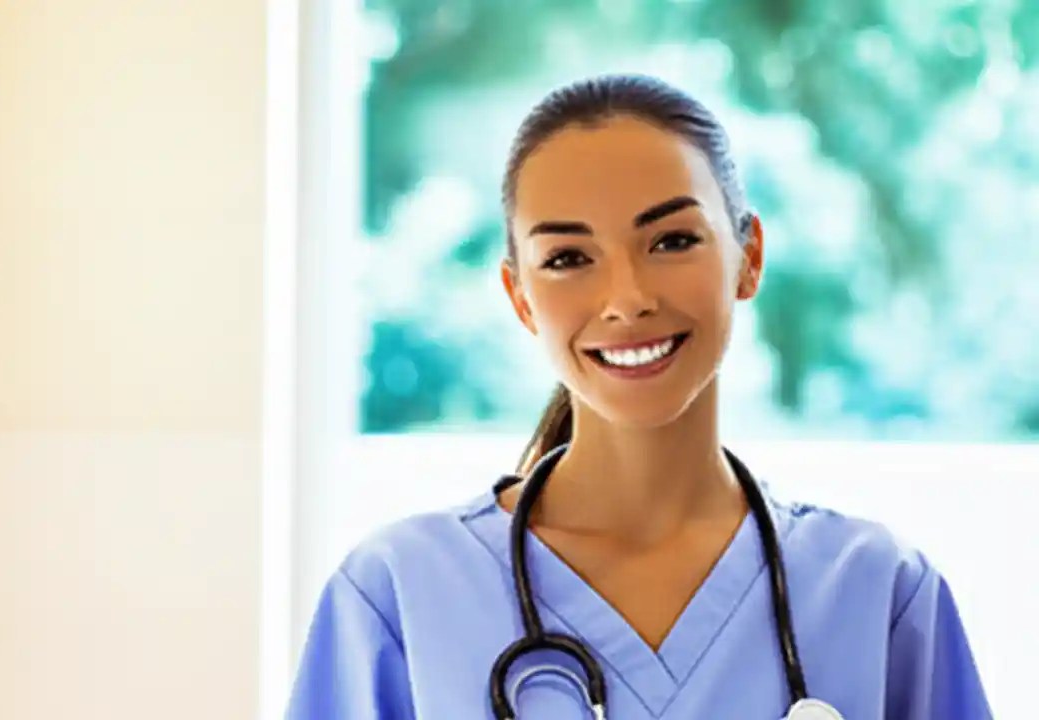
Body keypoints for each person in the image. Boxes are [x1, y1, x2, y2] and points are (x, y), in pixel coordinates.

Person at [285, 74, 992, 718]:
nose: (627, 299)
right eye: (567, 258)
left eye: (672, 240)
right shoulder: (399, 595)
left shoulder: (877, 594)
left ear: (748, 257)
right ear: (520, 298)